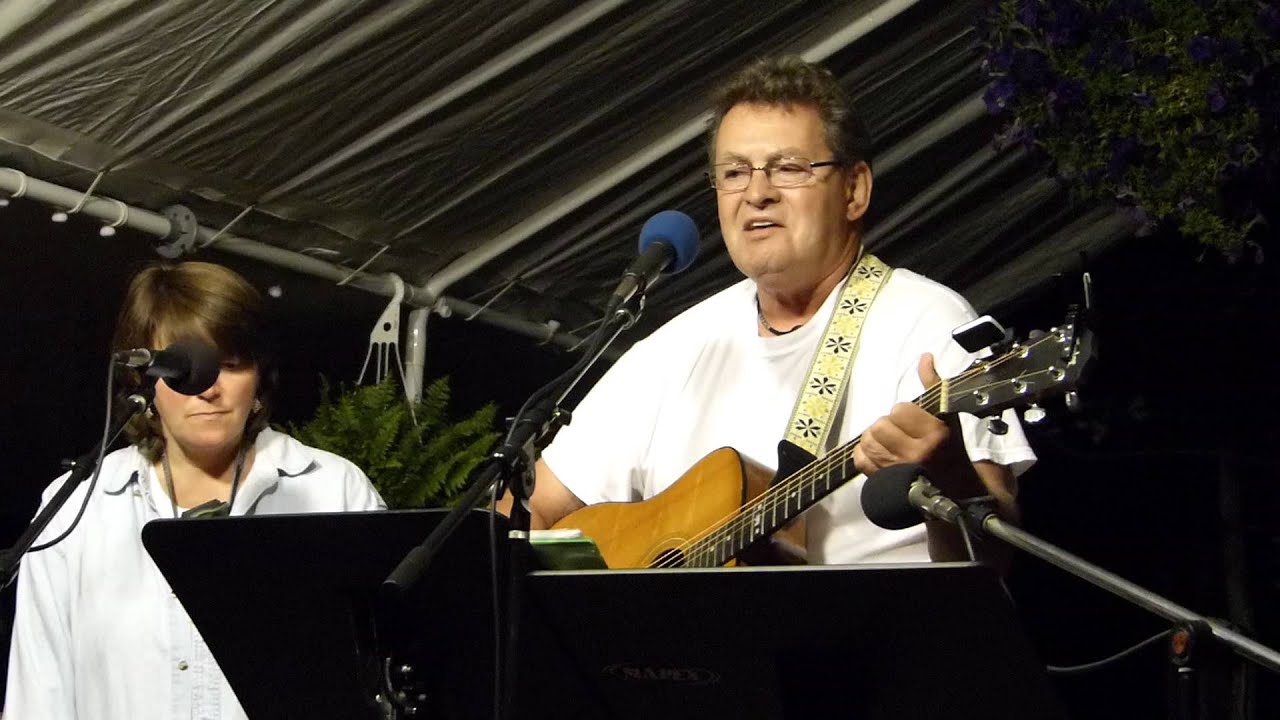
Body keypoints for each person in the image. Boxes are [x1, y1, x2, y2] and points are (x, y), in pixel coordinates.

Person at [503, 56, 1035, 564]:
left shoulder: (928, 324)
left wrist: (953, 478)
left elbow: (993, 560)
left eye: (788, 168)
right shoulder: (675, 347)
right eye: (734, 173)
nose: (757, 193)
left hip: (877, 648)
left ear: (854, 190)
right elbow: (533, 510)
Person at [5, 261, 386, 719]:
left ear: (259, 377)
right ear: (143, 378)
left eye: (230, 364)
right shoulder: (76, 510)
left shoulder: (334, 492)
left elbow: (376, 680)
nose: (211, 390)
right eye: (187, 368)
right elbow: (38, 699)